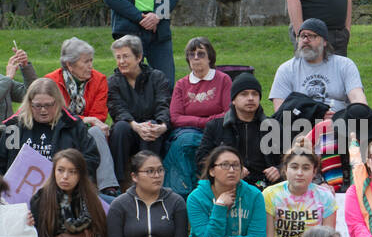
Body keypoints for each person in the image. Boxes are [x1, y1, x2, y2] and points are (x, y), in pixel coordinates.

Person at [270, 18, 372, 152]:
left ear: (324, 41)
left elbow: (358, 98)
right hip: (301, 132)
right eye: (302, 36)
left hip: (341, 129)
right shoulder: (286, 69)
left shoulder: (344, 65)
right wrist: (317, 116)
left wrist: (342, 118)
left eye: (311, 36)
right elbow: (281, 113)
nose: (305, 40)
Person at [43, 37, 118, 193]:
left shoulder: (99, 79)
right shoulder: (51, 81)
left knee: (97, 131)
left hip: (86, 130)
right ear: (70, 65)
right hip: (59, 129)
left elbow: (99, 116)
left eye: (91, 60)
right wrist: (86, 119)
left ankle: (108, 188)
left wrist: (85, 121)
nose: (91, 65)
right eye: (86, 62)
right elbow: (55, 114)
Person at [0, 77, 102, 180]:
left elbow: (91, 159)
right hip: (19, 191)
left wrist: (69, 176)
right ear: (29, 104)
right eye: (38, 106)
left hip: (63, 188)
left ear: (58, 103)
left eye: (48, 105)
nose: (43, 110)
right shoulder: (15, 128)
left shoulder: (73, 125)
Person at [263, 147, 336, 237]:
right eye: (294, 167)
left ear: (314, 172)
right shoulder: (271, 195)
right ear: (285, 169)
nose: (300, 173)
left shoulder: (325, 197)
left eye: (306, 168)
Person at [165, 37, 231, 195]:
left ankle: (204, 190)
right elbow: (175, 117)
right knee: (184, 143)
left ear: (210, 57)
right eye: (191, 54)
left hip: (218, 130)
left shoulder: (223, 79)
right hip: (186, 131)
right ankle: (182, 190)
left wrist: (207, 124)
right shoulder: (182, 84)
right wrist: (205, 121)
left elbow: (228, 112)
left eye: (201, 54)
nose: (195, 58)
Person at [106, 35, 171, 185]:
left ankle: (147, 180)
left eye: (126, 56)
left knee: (150, 127)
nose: (121, 61)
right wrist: (134, 125)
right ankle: (118, 183)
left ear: (139, 57)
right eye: (118, 57)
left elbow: (164, 104)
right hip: (128, 128)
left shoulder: (157, 77)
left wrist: (162, 126)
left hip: (152, 128)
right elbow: (117, 109)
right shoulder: (113, 82)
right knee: (120, 127)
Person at [199, 73, 281, 189]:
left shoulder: (273, 126)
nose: (251, 98)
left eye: (255, 94)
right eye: (244, 94)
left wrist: (279, 169)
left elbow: (289, 159)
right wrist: (229, 170)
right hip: (226, 185)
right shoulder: (215, 126)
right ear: (233, 100)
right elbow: (202, 160)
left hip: (266, 186)